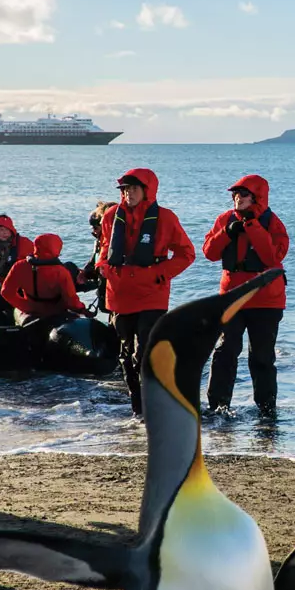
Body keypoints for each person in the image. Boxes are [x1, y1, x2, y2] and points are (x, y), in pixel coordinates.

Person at [96, 168, 194, 415]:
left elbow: (186, 254)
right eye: (125, 189)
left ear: (147, 191)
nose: (128, 193)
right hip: (119, 292)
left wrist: (160, 274)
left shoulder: (166, 218)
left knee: (146, 352)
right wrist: (102, 267)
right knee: (126, 353)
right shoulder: (110, 216)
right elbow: (105, 246)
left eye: (134, 188)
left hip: (152, 293)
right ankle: (138, 411)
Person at [203, 174, 289, 417]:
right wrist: (227, 232)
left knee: (261, 357)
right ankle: (217, 408)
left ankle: (266, 411)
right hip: (232, 296)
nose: (237, 198)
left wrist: (251, 224)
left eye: (244, 194)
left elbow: (272, 257)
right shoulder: (224, 219)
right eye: (236, 194)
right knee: (224, 351)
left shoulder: (273, 224)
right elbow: (209, 252)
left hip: (267, 300)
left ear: (257, 197)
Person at [2, 233, 89, 321]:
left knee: (15, 311)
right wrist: (83, 309)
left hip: (31, 313)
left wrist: (27, 306)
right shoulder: (62, 272)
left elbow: (6, 292)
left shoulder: (19, 266)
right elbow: (71, 301)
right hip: (56, 313)